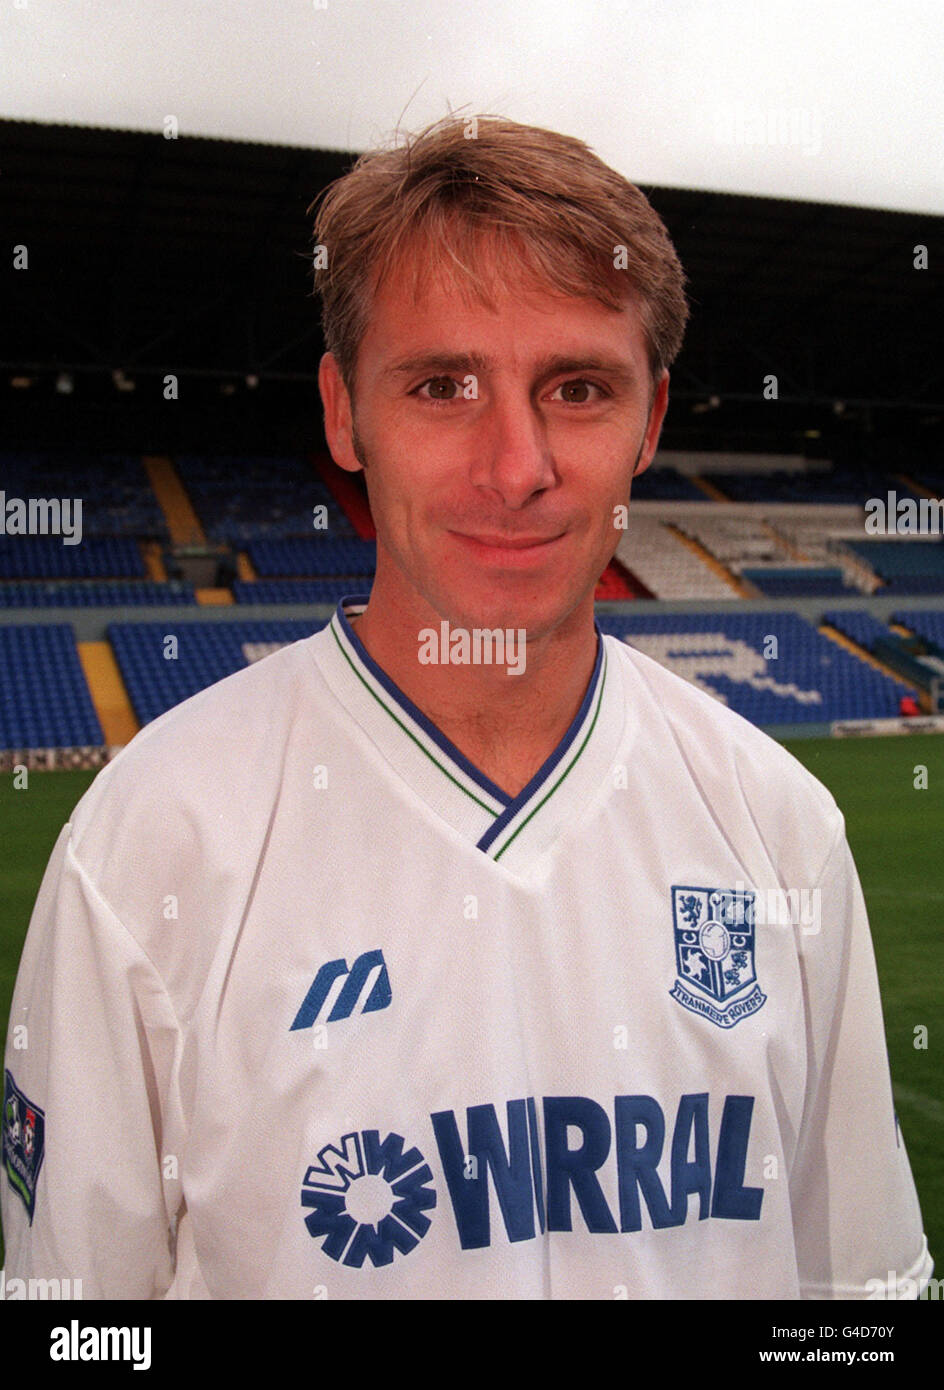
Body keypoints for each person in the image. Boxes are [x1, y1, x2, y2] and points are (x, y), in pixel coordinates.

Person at [1, 114, 932, 1300]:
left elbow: (857, 1295)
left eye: (578, 387)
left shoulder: (778, 826)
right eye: (442, 384)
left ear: (648, 422)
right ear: (344, 414)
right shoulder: (151, 846)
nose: (516, 463)